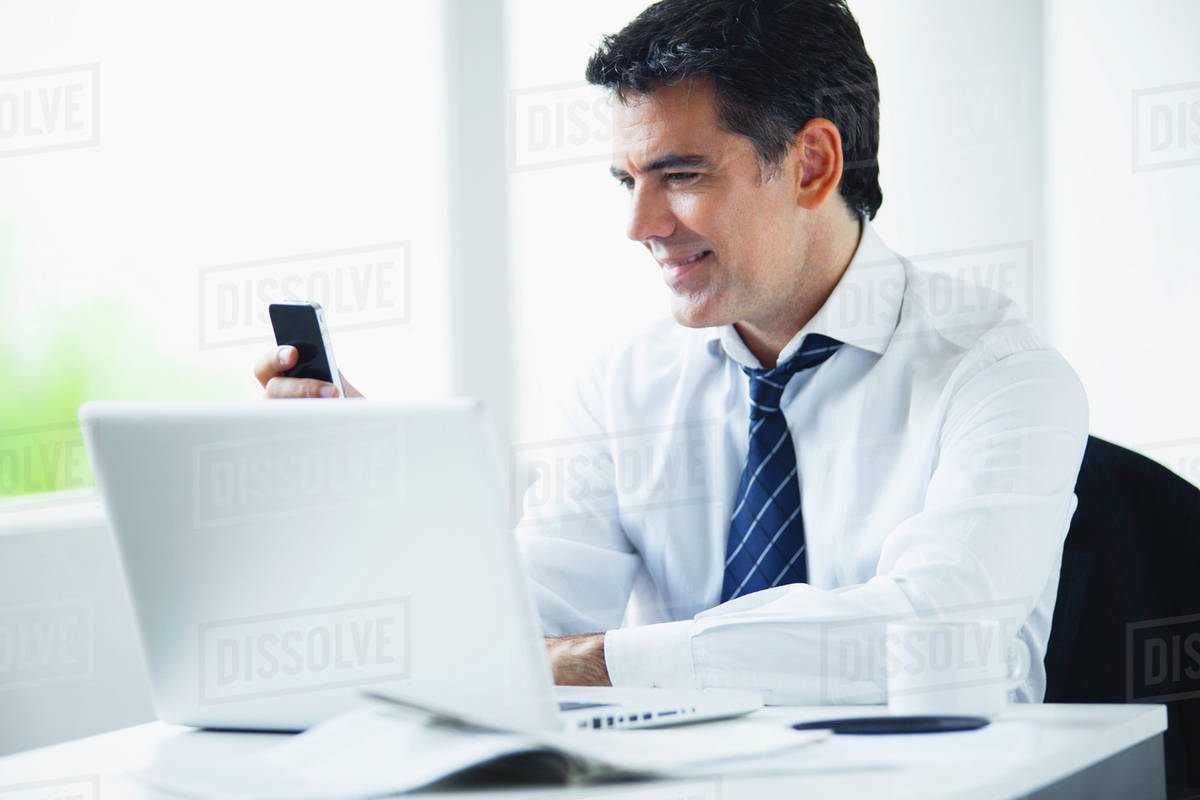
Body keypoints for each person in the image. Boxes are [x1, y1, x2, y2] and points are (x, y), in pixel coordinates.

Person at [255, 0, 1088, 704]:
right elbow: (515, 626)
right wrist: (387, 494)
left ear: (811, 164)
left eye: (681, 175)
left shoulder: (1001, 377)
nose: (639, 225)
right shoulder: (625, 387)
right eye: (629, 181)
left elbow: (936, 641)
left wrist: (608, 659)